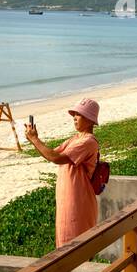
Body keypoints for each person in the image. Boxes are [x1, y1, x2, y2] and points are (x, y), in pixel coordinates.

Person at [24, 98, 101, 246]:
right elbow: (51, 154)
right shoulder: (76, 138)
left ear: (91, 120)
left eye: (79, 114)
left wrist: (34, 139)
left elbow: (56, 158)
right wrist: (35, 139)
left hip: (78, 202)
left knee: (75, 246)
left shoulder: (88, 141)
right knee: (65, 243)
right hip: (68, 199)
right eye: (74, 114)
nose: (74, 118)